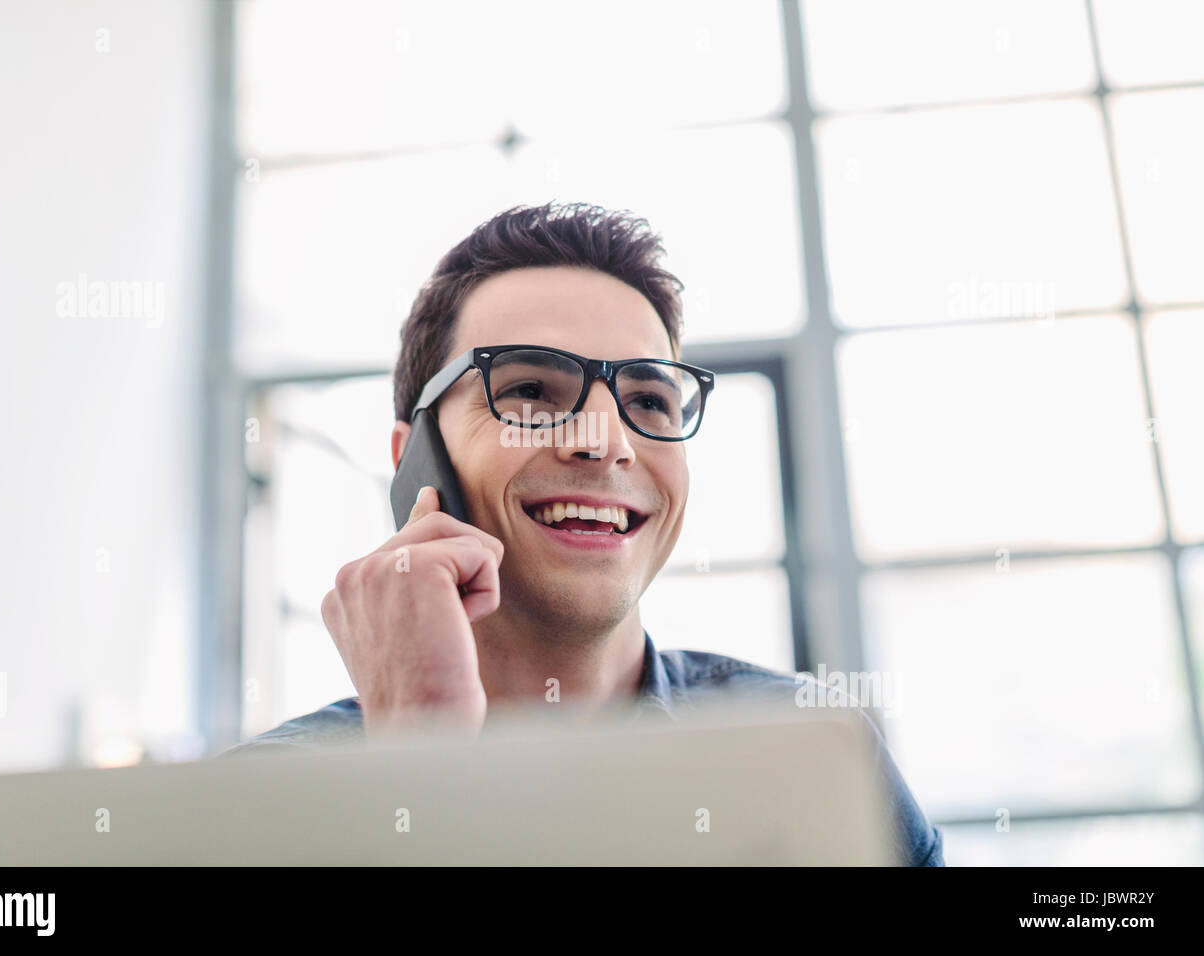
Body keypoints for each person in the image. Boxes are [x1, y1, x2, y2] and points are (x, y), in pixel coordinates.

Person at [223, 201, 944, 866]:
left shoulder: (818, 759)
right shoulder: (248, 816)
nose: (606, 442)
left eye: (648, 400)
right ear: (411, 460)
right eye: (530, 390)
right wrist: (418, 765)